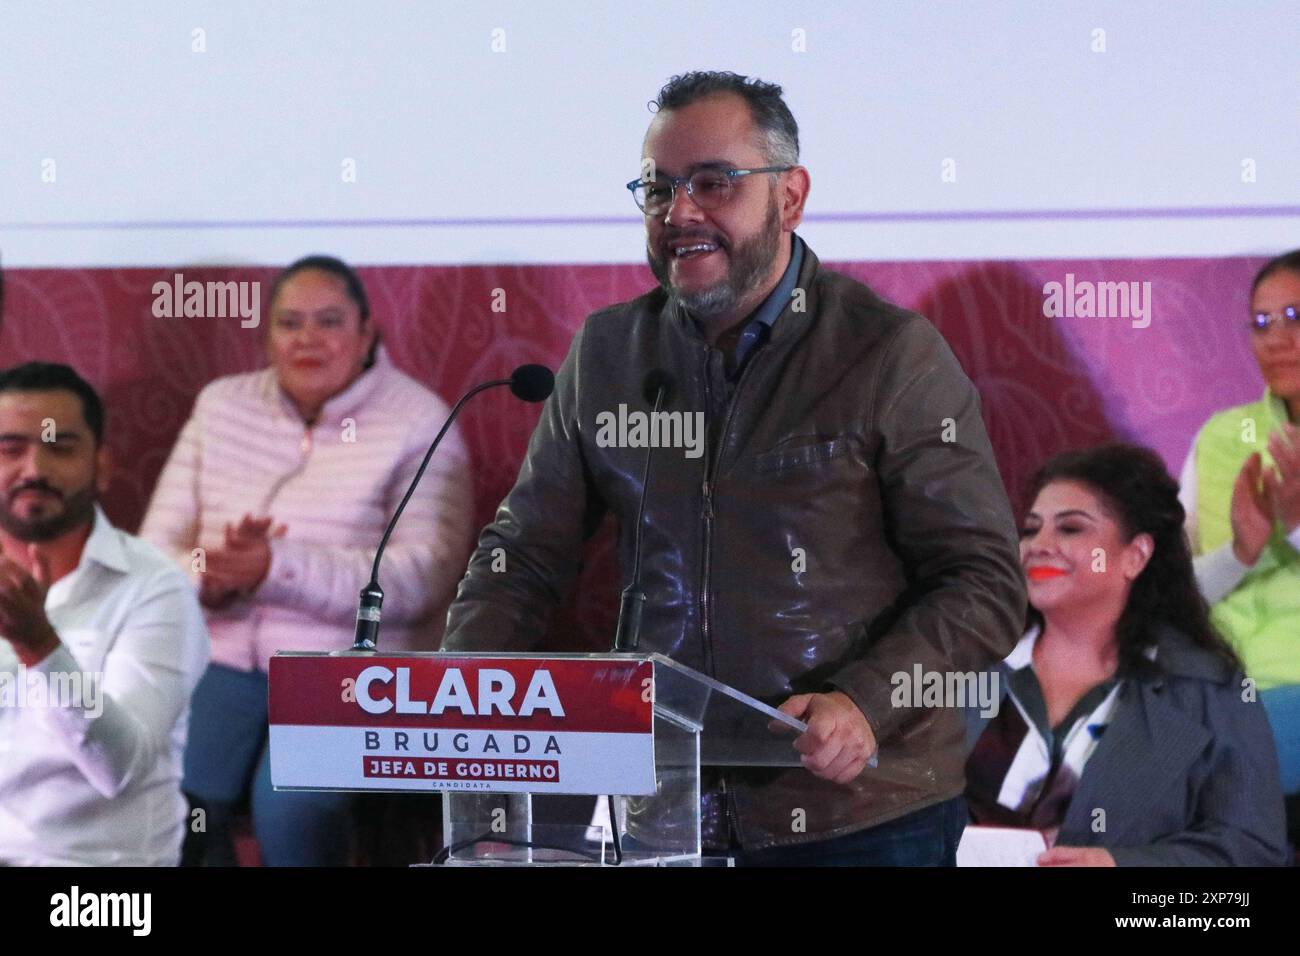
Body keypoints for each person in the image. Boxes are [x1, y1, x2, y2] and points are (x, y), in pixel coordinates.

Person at [441, 72, 1026, 866]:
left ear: (790, 197)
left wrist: (865, 700)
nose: (680, 213)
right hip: (660, 809)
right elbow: (523, 558)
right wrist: (461, 701)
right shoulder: (608, 353)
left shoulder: (888, 355)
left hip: (861, 812)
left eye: (713, 183)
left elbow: (985, 580)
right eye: (658, 189)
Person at [141, 255, 474, 866]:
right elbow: (155, 551)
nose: (307, 339)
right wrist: (204, 577)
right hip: (222, 655)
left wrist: (277, 569)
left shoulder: (419, 419)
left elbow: (425, 575)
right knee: (172, 799)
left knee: (289, 807)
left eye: (328, 322)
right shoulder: (221, 405)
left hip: (349, 672)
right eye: (289, 323)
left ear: (367, 332)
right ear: (267, 333)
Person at [965, 444, 1287, 866]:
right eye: (1031, 529)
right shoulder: (967, 666)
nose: (1038, 545)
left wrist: (1120, 865)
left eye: (1071, 529)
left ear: (1135, 556)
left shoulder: (1207, 689)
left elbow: (1252, 850)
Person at [0, 362, 209, 866]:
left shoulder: (156, 589)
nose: (34, 469)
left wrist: (40, 647)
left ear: (102, 465)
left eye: (60, 447)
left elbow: (120, 765)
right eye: (11, 449)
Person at [1179, 249, 1300, 812]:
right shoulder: (1223, 437)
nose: (1277, 338)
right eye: (1261, 322)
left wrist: (1297, 529)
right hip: (1225, 693)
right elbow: (1176, 598)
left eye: (1296, 317)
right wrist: (1242, 552)